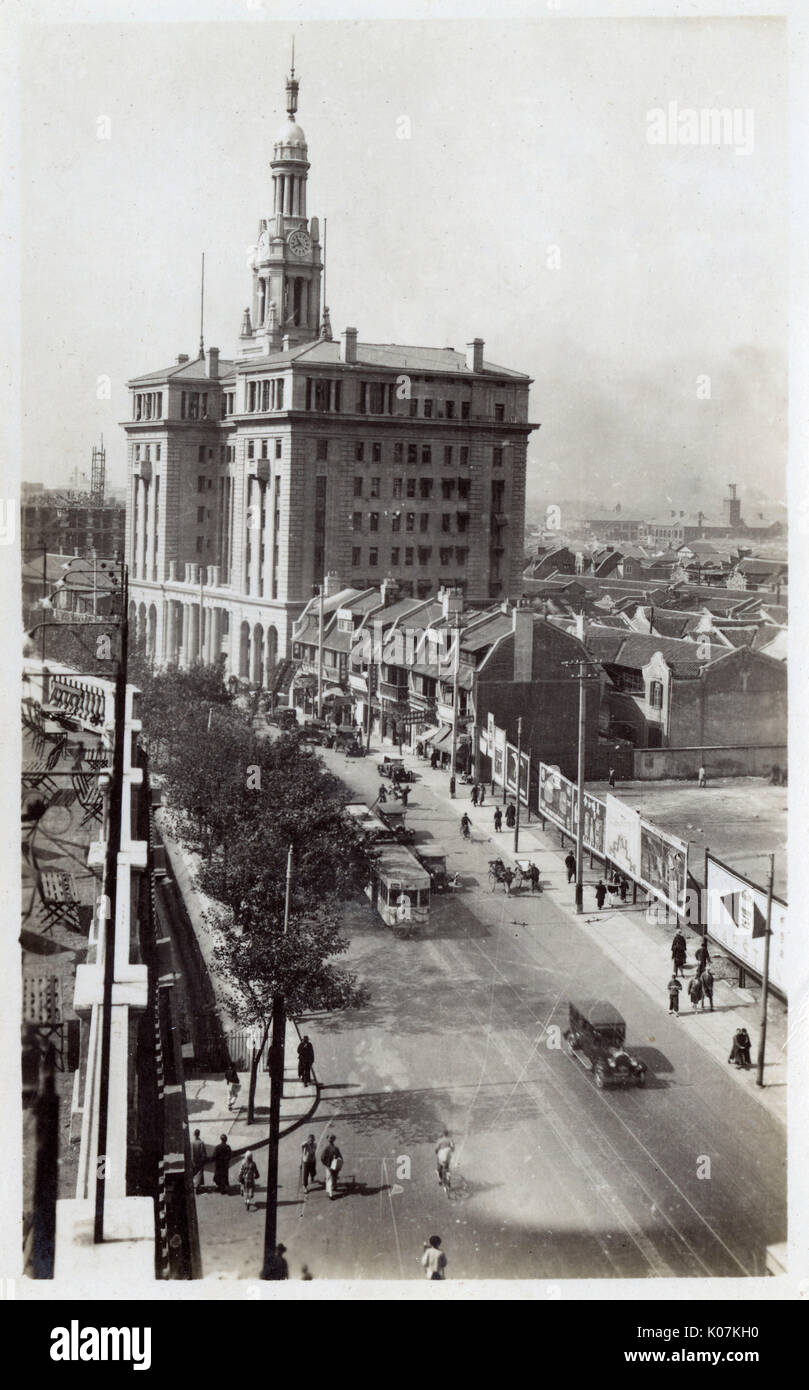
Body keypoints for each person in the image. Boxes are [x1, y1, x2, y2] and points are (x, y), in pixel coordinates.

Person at [321, 1134, 343, 1200]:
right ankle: (330, 1194)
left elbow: (340, 1156)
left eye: (332, 1138)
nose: (331, 1140)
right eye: (330, 1138)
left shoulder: (336, 1148)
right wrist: (327, 1165)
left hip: (335, 1166)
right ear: (328, 1139)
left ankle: (334, 1186)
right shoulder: (326, 1148)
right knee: (329, 1180)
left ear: (334, 1140)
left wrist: (339, 1164)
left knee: (334, 1177)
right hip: (329, 1166)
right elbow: (322, 1158)